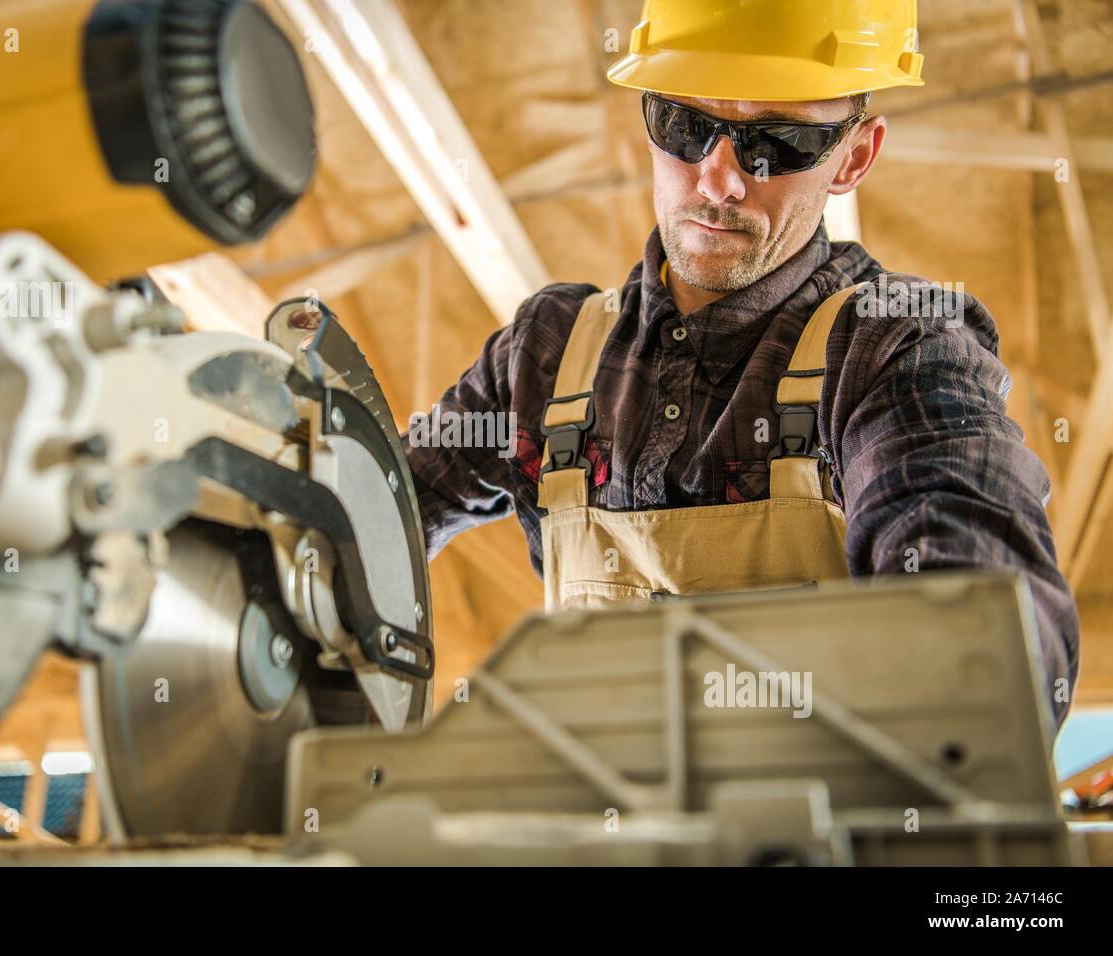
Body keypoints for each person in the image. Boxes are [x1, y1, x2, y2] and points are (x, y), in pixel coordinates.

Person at [402, 0, 1078, 720]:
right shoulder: (546, 355)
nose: (718, 179)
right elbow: (370, 512)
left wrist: (953, 677)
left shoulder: (894, 347)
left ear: (854, 156)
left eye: (776, 143)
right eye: (685, 126)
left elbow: (990, 628)